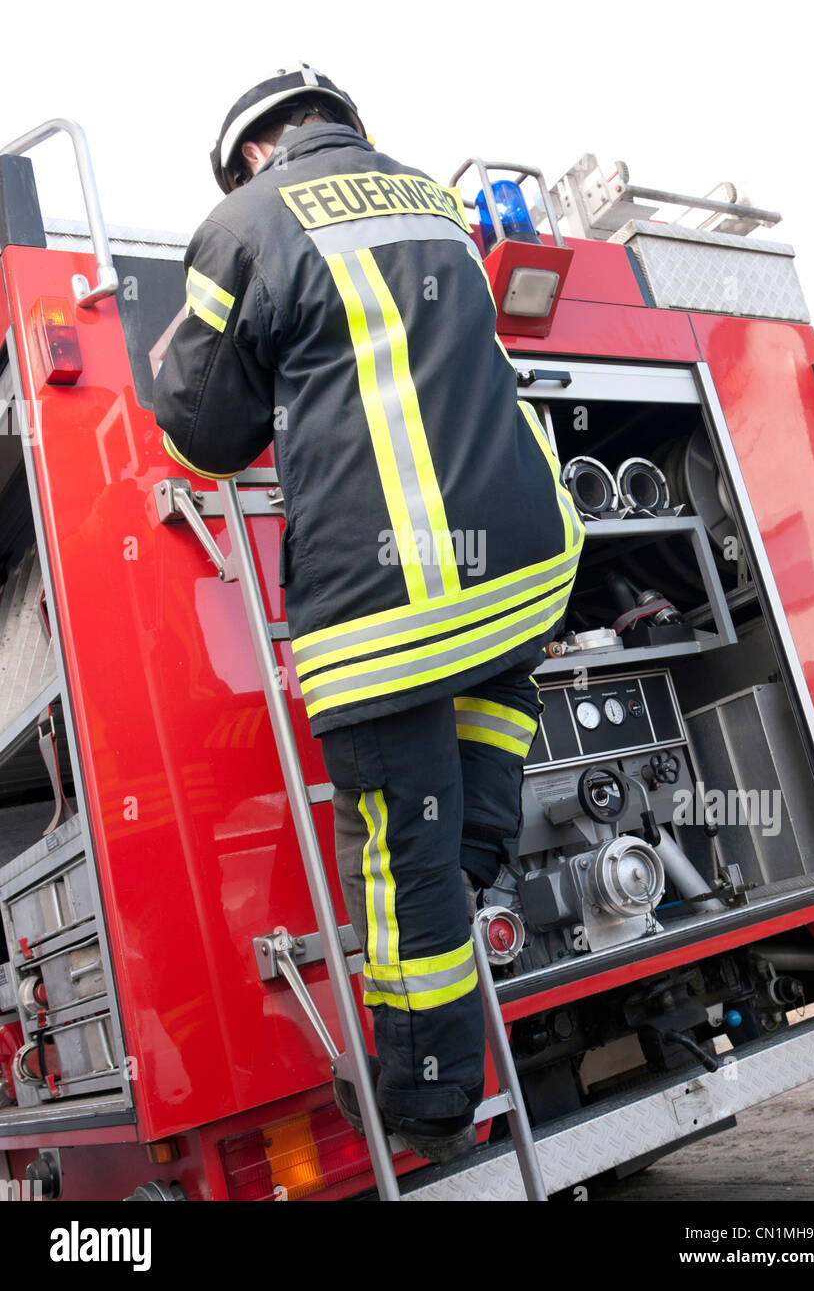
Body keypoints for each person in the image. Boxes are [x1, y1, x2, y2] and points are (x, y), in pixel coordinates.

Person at [153, 65, 584, 1162]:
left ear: (250, 152)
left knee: (400, 861)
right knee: (468, 794)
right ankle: (463, 890)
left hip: (389, 615)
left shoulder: (242, 223)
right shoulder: (435, 202)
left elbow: (203, 433)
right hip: (524, 576)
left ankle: (430, 1099)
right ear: (345, 128)